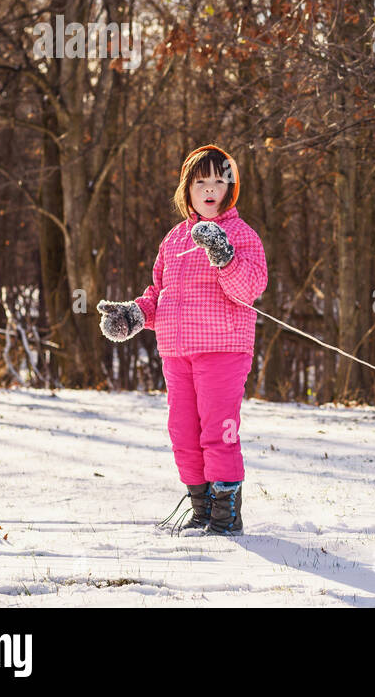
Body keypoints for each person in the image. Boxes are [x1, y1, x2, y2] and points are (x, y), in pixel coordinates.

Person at [97, 145, 268, 535]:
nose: (210, 189)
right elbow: (161, 294)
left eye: (219, 181)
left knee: (217, 430)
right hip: (176, 352)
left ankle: (226, 513)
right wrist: (134, 315)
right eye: (200, 181)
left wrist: (224, 255)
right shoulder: (174, 239)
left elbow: (250, 288)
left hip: (222, 349)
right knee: (183, 432)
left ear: (230, 188)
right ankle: (201, 506)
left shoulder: (241, 235)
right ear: (187, 189)